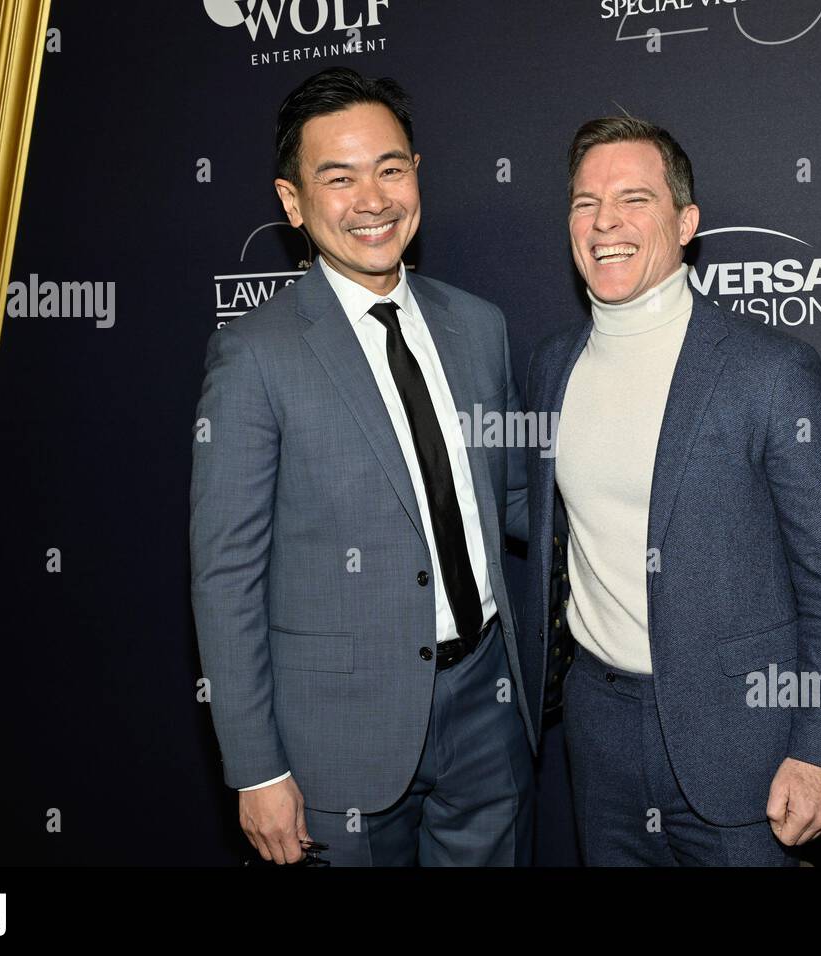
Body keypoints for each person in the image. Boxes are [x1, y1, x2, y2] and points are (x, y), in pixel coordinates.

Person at [190, 67, 534, 866]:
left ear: (416, 173)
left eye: (390, 168)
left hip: (489, 704)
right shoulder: (253, 355)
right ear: (291, 202)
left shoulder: (478, 327)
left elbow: (516, 499)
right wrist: (255, 768)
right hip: (333, 741)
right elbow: (223, 574)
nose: (372, 199)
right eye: (337, 178)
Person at [522, 115, 821, 865]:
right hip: (599, 731)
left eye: (633, 199)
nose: (605, 222)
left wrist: (820, 747)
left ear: (686, 222)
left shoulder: (769, 371)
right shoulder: (553, 367)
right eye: (585, 202)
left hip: (746, 739)